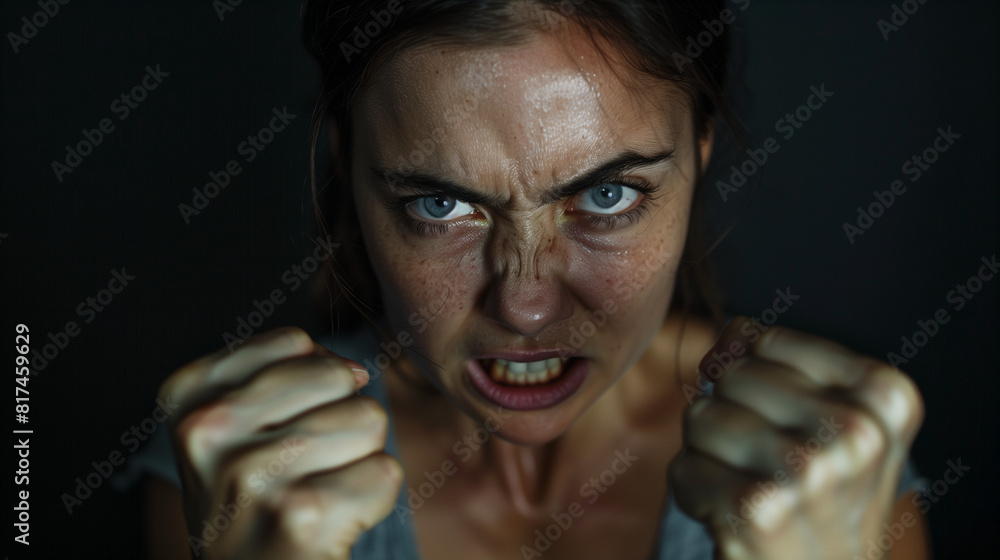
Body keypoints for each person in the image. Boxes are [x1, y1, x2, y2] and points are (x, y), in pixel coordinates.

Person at [144, 1, 930, 558]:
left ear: (698, 152)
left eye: (606, 196)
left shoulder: (820, 464)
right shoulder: (241, 469)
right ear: (348, 169)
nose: (524, 307)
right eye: (441, 203)